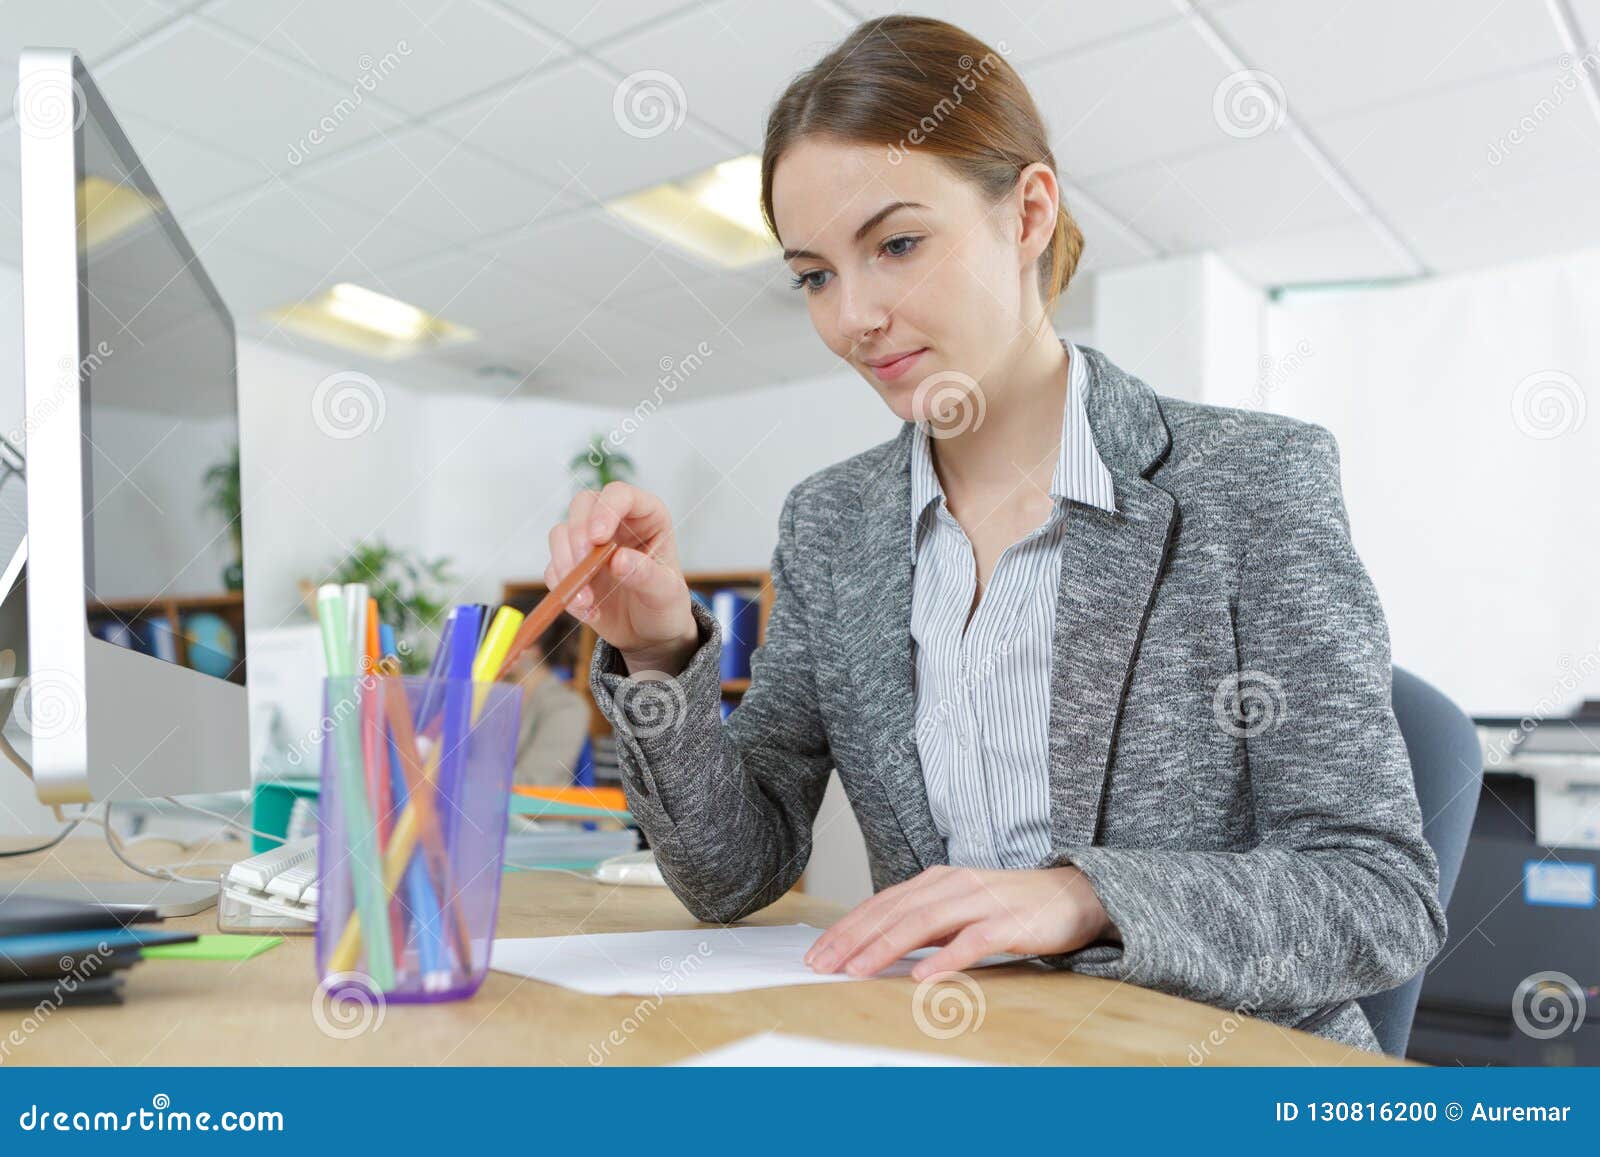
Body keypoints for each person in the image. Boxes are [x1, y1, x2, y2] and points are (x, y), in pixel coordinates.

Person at [543, 16, 1444, 1053]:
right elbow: (732, 870)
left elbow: (1378, 895)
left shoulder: (1250, 484)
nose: (853, 318)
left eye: (896, 244)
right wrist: (658, 653)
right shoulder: (833, 524)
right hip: (955, 1051)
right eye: (814, 274)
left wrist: (1082, 896)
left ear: (1026, 213)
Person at [502, 615, 589, 789]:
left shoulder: (567, 706)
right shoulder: (490, 694)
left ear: (531, 644)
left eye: (498, 638)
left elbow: (532, 783)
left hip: (531, 814)